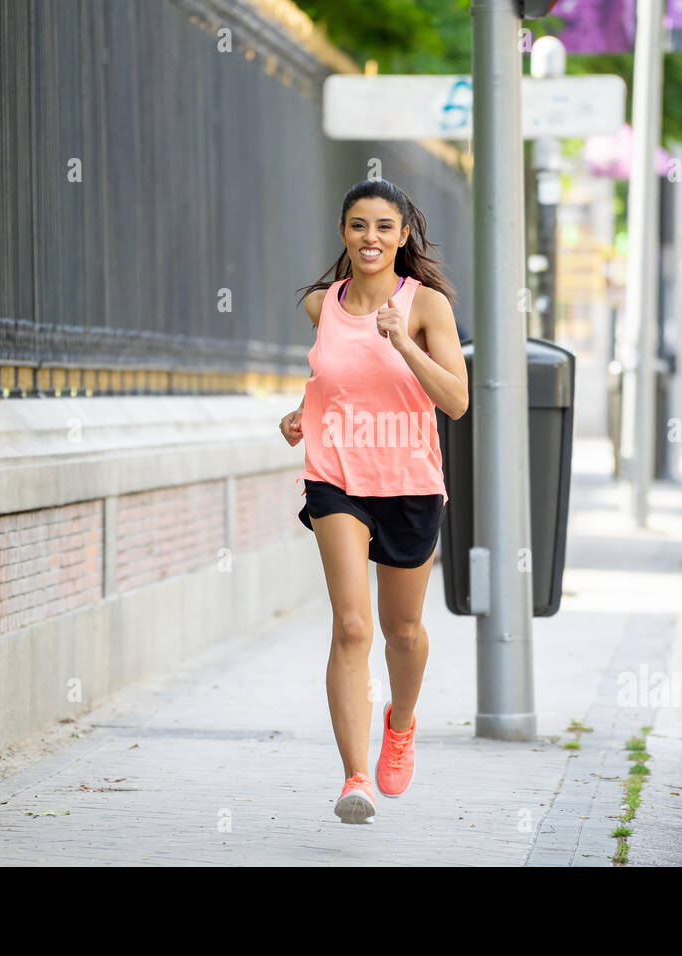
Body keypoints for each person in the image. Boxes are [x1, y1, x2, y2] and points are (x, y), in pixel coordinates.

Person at [280, 179, 468, 824]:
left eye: (384, 227)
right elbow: (331, 381)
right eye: (359, 225)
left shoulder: (426, 306)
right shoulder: (320, 306)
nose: (371, 238)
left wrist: (404, 342)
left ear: (403, 236)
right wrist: (303, 412)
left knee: (403, 631)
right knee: (352, 626)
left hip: (410, 483)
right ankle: (354, 776)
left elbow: (456, 401)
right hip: (336, 478)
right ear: (343, 233)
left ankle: (402, 723)